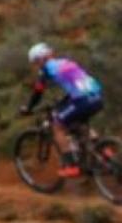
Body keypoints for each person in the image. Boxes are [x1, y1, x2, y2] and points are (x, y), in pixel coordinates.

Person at [21, 42, 103, 178]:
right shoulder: (66, 62)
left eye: (36, 62)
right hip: (97, 97)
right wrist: (63, 101)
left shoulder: (47, 69)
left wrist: (29, 108)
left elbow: (38, 92)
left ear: (41, 59)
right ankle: (104, 151)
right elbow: (77, 85)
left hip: (82, 100)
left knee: (57, 126)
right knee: (78, 123)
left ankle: (72, 166)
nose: (36, 65)